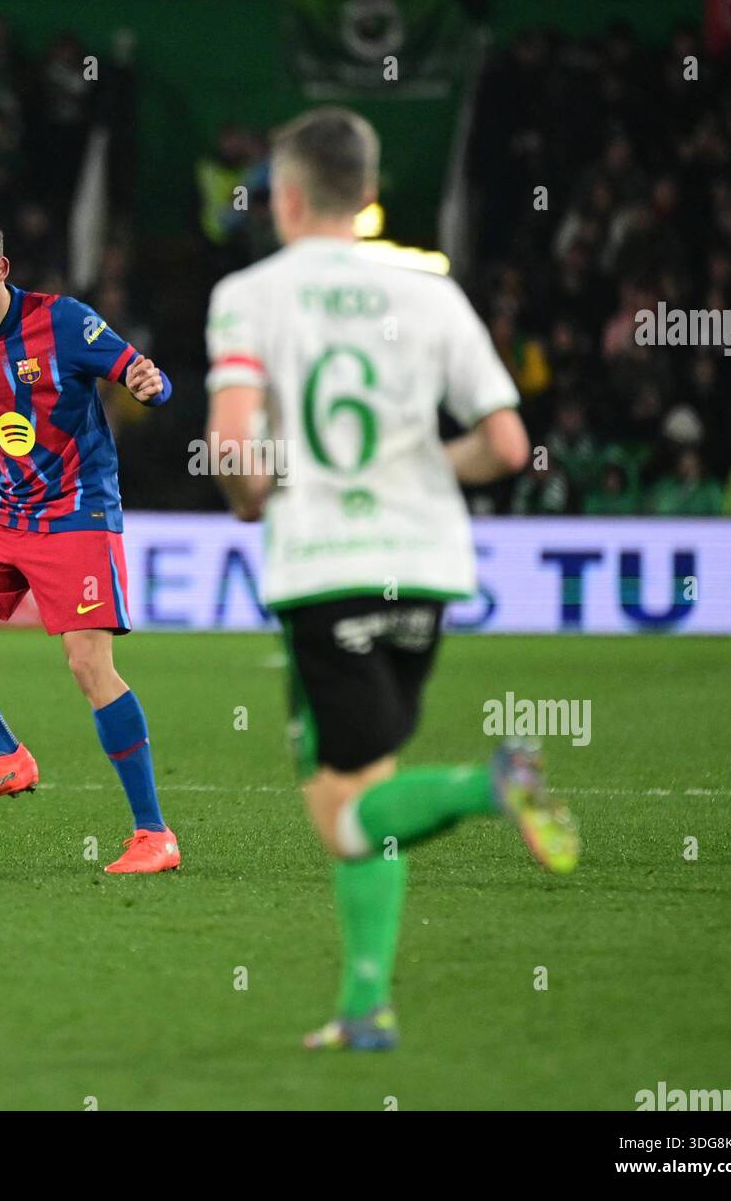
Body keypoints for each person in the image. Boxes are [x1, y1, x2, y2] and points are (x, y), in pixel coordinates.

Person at [204, 107, 579, 1049]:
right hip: (428, 570)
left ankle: (488, 783)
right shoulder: (430, 290)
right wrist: (409, 472)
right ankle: (364, 1008)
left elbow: (231, 446)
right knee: (366, 789)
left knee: (342, 814)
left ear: (286, 198)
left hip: (325, 570)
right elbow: (505, 445)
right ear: (368, 198)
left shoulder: (251, 294)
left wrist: (257, 495)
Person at [0, 214, 180, 874]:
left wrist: (149, 386)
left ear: (1, 269)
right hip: (7, 515)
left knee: (87, 667)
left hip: (78, 515)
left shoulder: (65, 322)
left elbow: (142, 373)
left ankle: (153, 835)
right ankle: (3, 758)